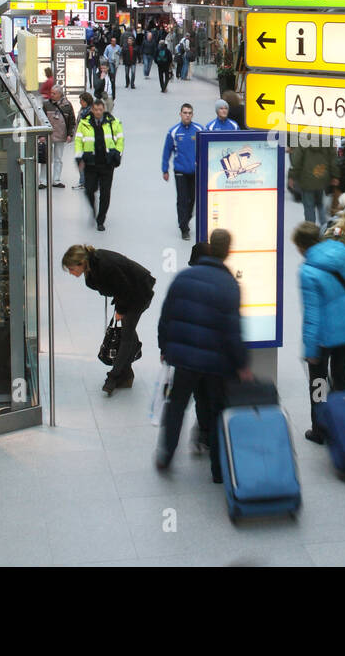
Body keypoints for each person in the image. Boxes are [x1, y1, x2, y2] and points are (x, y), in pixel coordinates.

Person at [155, 229, 255, 483]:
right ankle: (218, 471)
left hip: (185, 361)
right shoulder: (229, 285)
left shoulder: (184, 277)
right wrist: (242, 364)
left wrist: (164, 346)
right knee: (217, 411)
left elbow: (166, 316)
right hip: (215, 364)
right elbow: (233, 330)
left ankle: (165, 454)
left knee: (176, 405)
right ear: (228, 250)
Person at [294, 221, 345, 445]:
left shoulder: (307, 271)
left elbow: (312, 316)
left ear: (302, 247)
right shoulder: (343, 252)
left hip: (324, 337)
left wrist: (310, 349)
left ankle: (320, 428)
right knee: (342, 377)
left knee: (318, 383)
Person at [62, 244, 154, 395]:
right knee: (128, 333)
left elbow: (124, 288)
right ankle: (126, 372)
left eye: (72, 269)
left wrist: (120, 309)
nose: (71, 273)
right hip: (132, 291)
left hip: (139, 292)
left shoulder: (104, 265)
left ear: (81, 263)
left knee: (126, 334)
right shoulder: (93, 265)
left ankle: (114, 376)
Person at [74, 98, 124, 232]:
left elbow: (120, 139)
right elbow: (78, 140)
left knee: (105, 193)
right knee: (89, 190)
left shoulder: (113, 123)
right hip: (91, 163)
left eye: (100, 110)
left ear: (103, 110)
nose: (98, 112)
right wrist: (79, 157)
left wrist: (118, 154)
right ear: (92, 110)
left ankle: (101, 220)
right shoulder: (84, 124)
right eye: (95, 109)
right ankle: (93, 208)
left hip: (107, 164)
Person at [161, 103, 202, 240]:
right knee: (182, 199)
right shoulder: (173, 132)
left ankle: (187, 218)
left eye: (190, 113)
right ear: (180, 114)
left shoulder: (199, 130)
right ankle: (184, 227)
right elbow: (167, 151)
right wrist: (164, 169)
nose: (187, 115)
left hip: (195, 171)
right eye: (185, 113)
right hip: (180, 171)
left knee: (192, 199)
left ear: (192, 115)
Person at [288, 143, 339, 226]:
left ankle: (310, 230)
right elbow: (333, 159)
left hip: (306, 179)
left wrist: (292, 176)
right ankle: (324, 227)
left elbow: (297, 160)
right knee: (320, 204)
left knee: (309, 206)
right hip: (322, 177)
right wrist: (335, 175)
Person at [40, 85, 76, 190]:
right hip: (48, 135)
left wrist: (70, 135)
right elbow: (41, 119)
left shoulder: (67, 106)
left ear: (60, 94)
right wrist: (42, 135)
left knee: (58, 158)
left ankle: (56, 180)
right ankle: (43, 180)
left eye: (54, 93)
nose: (51, 95)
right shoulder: (46, 105)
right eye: (51, 93)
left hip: (61, 135)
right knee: (45, 158)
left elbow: (72, 121)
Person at [72, 91, 93, 189]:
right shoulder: (82, 110)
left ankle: (84, 182)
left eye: (81, 101)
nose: (80, 102)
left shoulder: (90, 112)